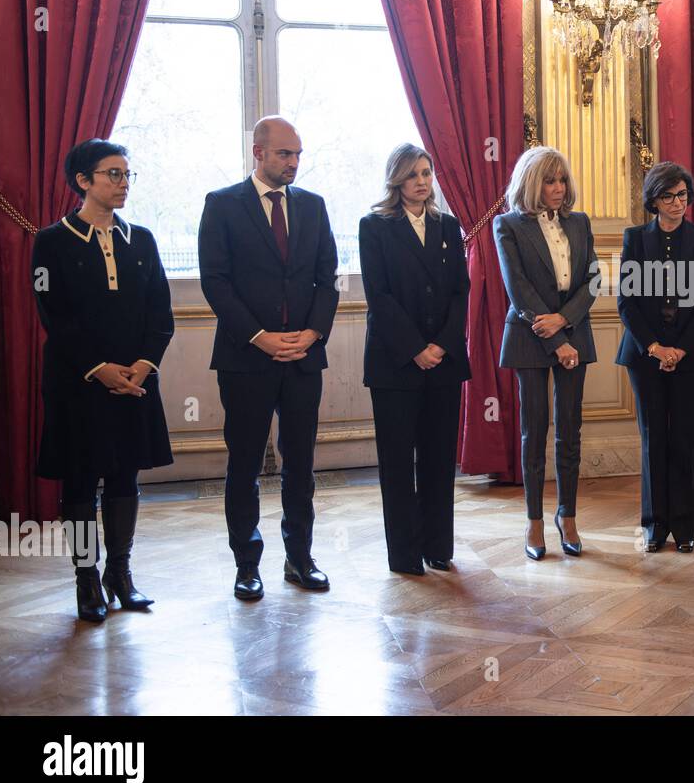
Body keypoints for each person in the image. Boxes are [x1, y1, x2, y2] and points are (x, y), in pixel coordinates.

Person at [33, 139, 174, 622]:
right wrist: (100, 368)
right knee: (79, 478)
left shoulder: (144, 239)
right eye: (112, 174)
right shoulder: (51, 240)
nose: (122, 184)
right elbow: (56, 316)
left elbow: (161, 312)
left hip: (134, 381)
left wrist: (143, 364)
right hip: (78, 382)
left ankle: (120, 573)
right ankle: (86, 579)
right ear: (83, 181)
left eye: (127, 175)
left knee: (124, 474)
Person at [198, 116, 338, 600]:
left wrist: (314, 333)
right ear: (258, 153)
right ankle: (246, 564)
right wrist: (259, 336)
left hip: (303, 358)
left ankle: (300, 558)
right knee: (245, 465)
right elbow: (215, 282)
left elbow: (328, 278)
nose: (294, 162)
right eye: (284, 154)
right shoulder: (221, 205)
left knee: (301, 464)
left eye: (298, 153)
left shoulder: (314, 207)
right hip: (246, 358)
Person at [359, 144, 470, 574]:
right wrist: (415, 349)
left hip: (444, 362)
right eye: (412, 175)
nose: (422, 182)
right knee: (398, 462)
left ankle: (438, 546)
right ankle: (405, 555)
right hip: (395, 364)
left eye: (426, 173)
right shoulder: (375, 227)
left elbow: (460, 292)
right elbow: (379, 297)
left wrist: (441, 345)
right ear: (396, 181)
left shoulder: (448, 226)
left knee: (440, 458)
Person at [493, 147, 598, 560]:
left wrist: (564, 323)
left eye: (562, 180)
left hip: (574, 334)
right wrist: (554, 337)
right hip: (529, 339)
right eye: (550, 181)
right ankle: (534, 520)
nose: (558, 188)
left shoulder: (580, 222)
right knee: (533, 433)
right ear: (532, 184)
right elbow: (518, 290)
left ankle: (567, 516)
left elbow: (593, 280)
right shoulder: (508, 225)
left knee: (570, 431)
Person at [616, 162, 694, 553]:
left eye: (682, 195)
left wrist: (680, 349)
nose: (678, 203)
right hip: (645, 356)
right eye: (668, 196)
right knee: (653, 438)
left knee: (683, 439)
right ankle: (654, 526)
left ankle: (684, 527)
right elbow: (627, 302)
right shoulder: (635, 238)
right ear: (653, 200)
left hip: (690, 355)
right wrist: (655, 348)